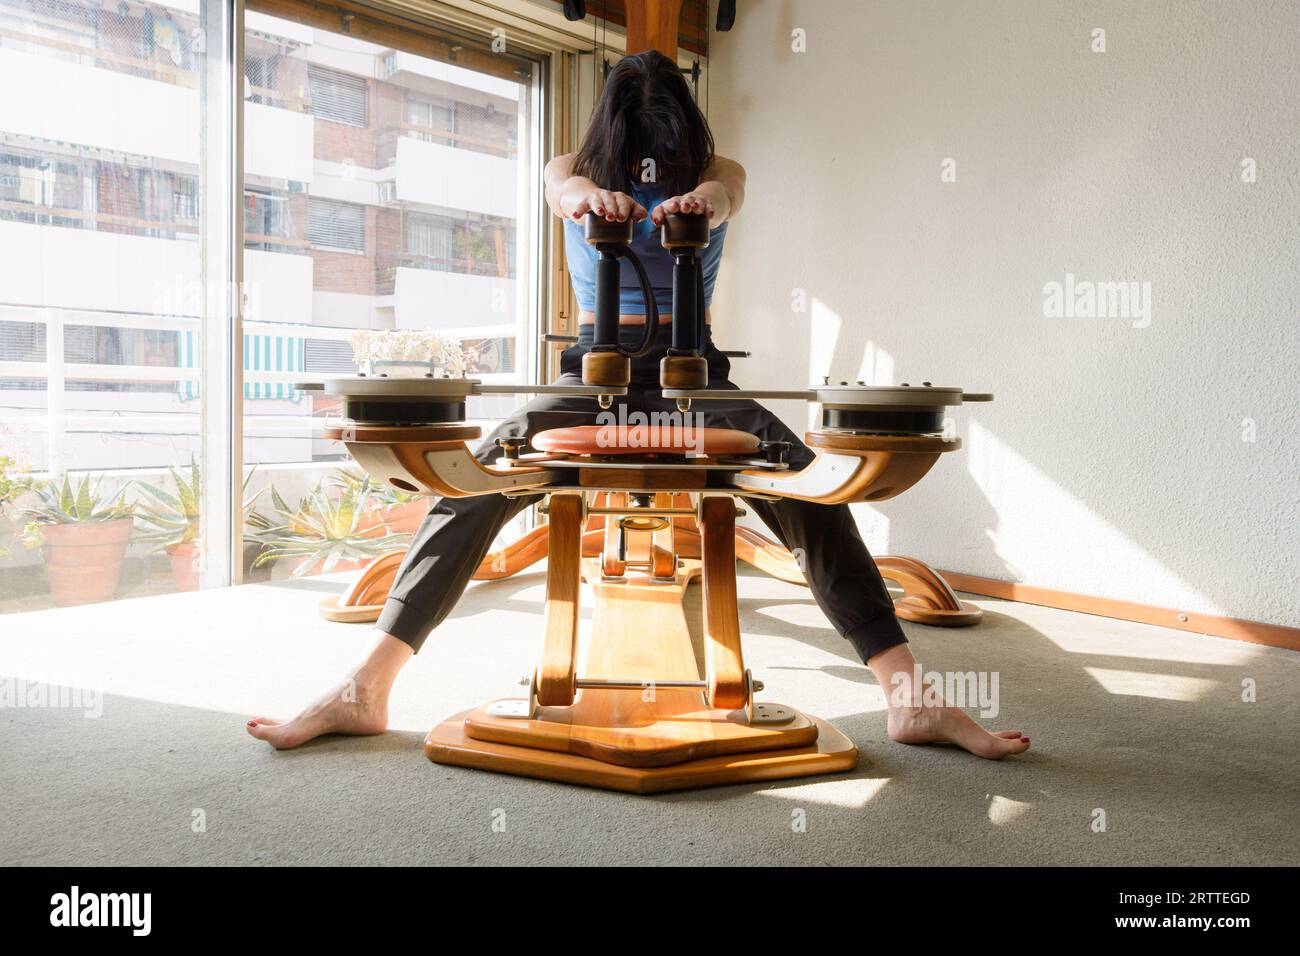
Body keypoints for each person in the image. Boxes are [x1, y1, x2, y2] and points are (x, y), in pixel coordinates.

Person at [247, 51, 1029, 759]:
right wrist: (597, 201)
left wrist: (702, 203)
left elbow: (727, 192)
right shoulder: (570, 168)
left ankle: (910, 697)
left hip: (694, 379)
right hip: (594, 375)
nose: (653, 166)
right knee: (470, 482)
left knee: (811, 489)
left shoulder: (717, 169)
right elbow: (564, 190)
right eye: (634, 153)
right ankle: (367, 688)